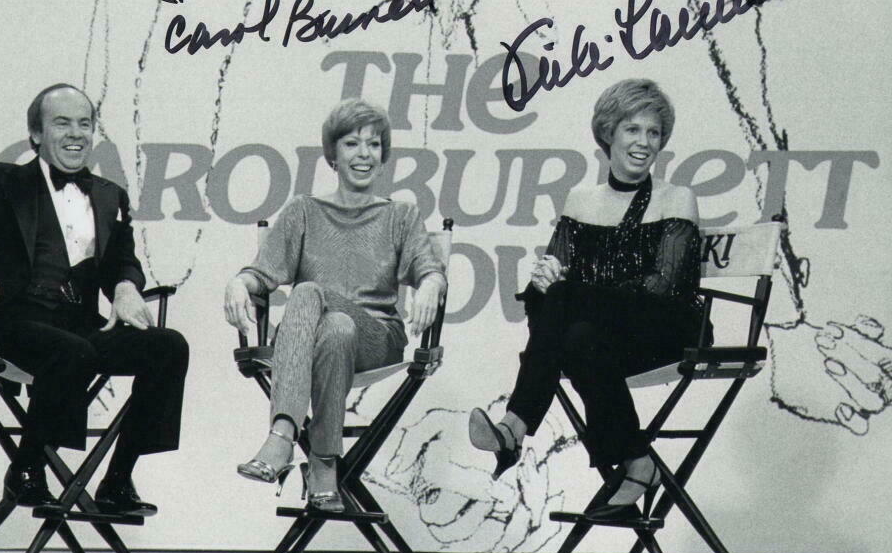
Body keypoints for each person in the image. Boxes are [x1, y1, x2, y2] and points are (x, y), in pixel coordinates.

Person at [0, 84, 189, 514]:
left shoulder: (108, 194)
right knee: (72, 352)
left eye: (85, 123)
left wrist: (125, 286)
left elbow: (123, 260)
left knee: (167, 346)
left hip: (74, 324)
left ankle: (116, 481)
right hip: (3, 320)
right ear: (36, 134)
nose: (75, 133)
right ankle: (27, 468)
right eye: (62, 123)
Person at [469, 79, 706, 521]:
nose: (644, 143)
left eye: (653, 133)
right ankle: (636, 459)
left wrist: (564, 288)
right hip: (603, 336)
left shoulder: (678, 198)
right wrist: (544, 279)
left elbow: (665, 289)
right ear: (608, 134)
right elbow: (548, 294)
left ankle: (515, 426)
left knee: (568, 304)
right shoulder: (580, 201)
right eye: (632, 130)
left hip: (670, 330)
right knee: (574, 334)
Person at [223, 99, 446, 512]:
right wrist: (240, 281)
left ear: (383, 155)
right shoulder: (304, 211)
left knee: (308, 292)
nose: (364, 154)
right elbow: (263, 272)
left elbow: (428, 268)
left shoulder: (401, 214)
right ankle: (324, 462)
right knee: (337, 327)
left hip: (378, 338)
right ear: (333, 154)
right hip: (320, 339)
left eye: (374, 145)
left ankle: (282, 435)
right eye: (351, 144)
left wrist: (432, 282)